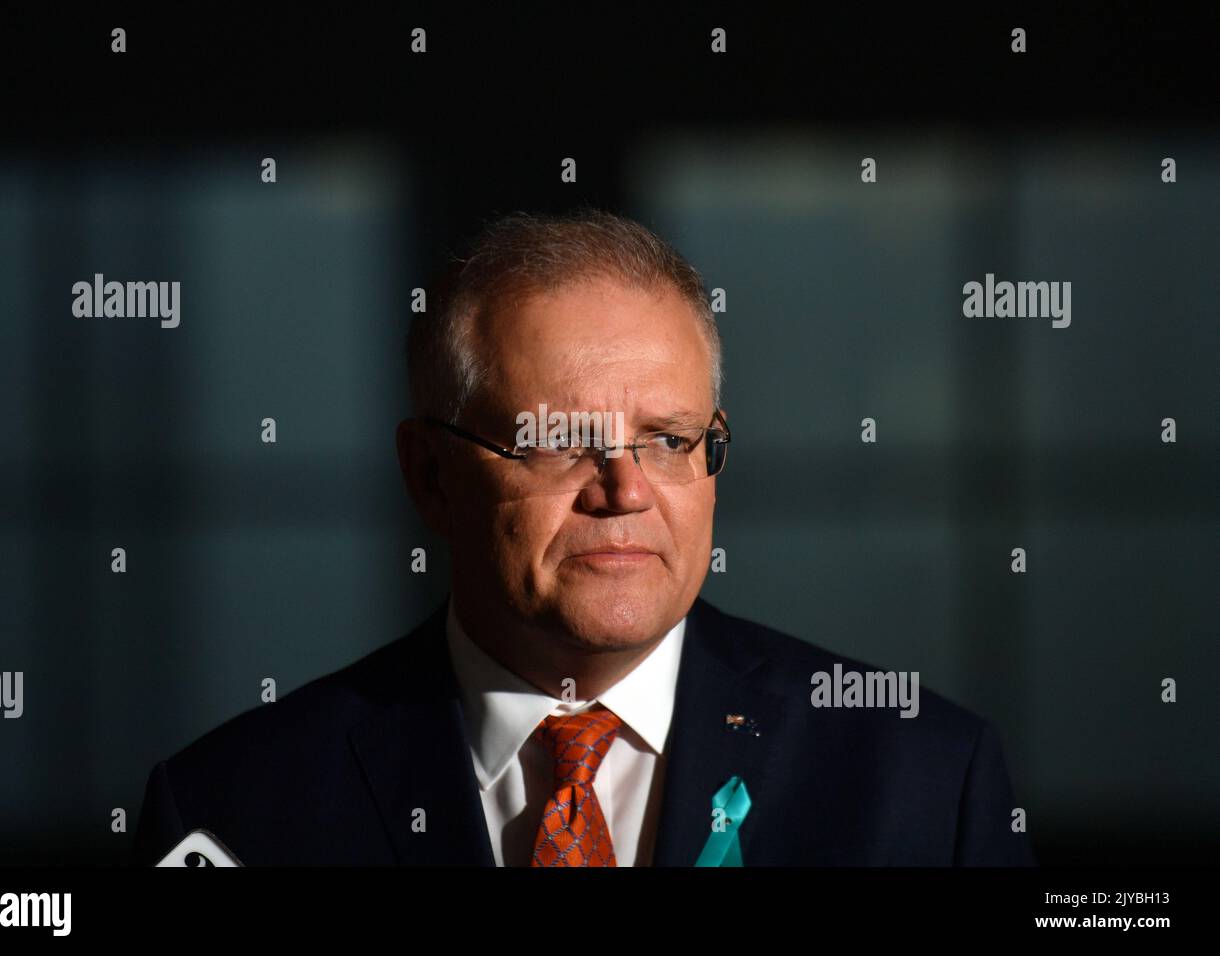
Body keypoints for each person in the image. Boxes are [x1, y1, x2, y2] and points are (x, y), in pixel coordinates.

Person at [133, 208, 1034, 866]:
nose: (627, 490)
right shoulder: (237, 809)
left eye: (671, 440)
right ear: (430, 475)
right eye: (561, 442)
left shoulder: (923, 781)